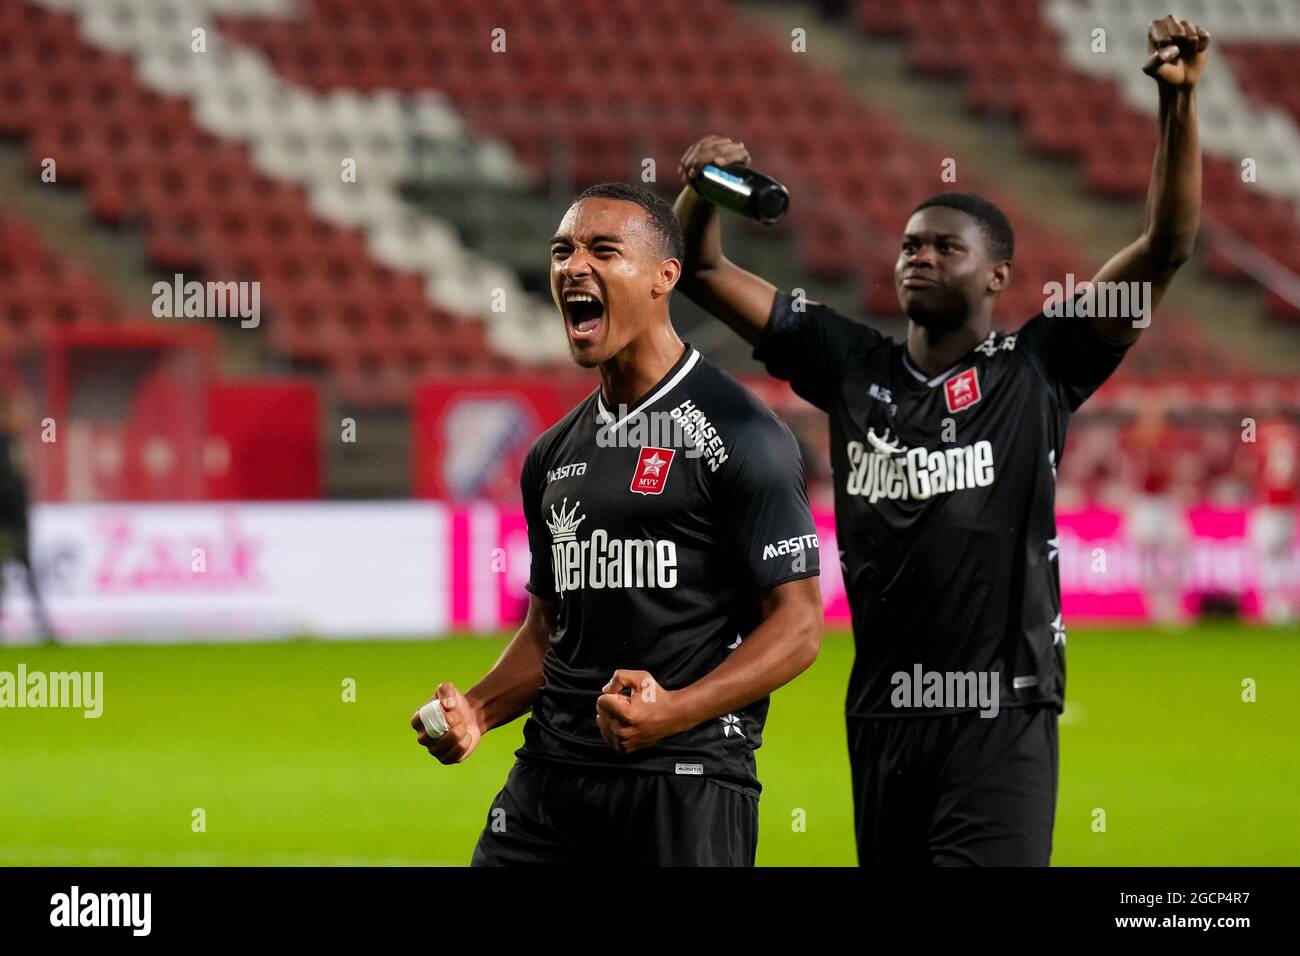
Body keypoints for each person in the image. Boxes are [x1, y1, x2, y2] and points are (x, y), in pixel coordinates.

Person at [672, 16, 1208, 865]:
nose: (917, 256)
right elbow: (699, 271)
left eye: (943, 246)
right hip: (884, 716)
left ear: (997, 274)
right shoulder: (849, 362)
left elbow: (1168, 245)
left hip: (1003, 714)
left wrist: (1177, 109)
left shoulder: (1042, 366)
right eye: (909, 244)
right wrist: (704, 191)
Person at [411, 182, 823, 865]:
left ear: (666, 277)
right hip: (548, 781)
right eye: (563, 251)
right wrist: (478, 711)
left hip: (683, 781)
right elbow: (548, 632)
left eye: (604, 250)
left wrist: (676, 709)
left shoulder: (742, 432)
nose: (575, 266)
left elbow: (799, 624)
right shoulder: (551, 455)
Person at [0, 393, 57, 644]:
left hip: (18, 523)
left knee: (28, 577)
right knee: (17, 577)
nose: (21, 419)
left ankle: (43, 624)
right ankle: (42, 624)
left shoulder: (15, 443)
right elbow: (9, 488)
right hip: (6, 525)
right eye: (16, 414)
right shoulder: (5, 444)